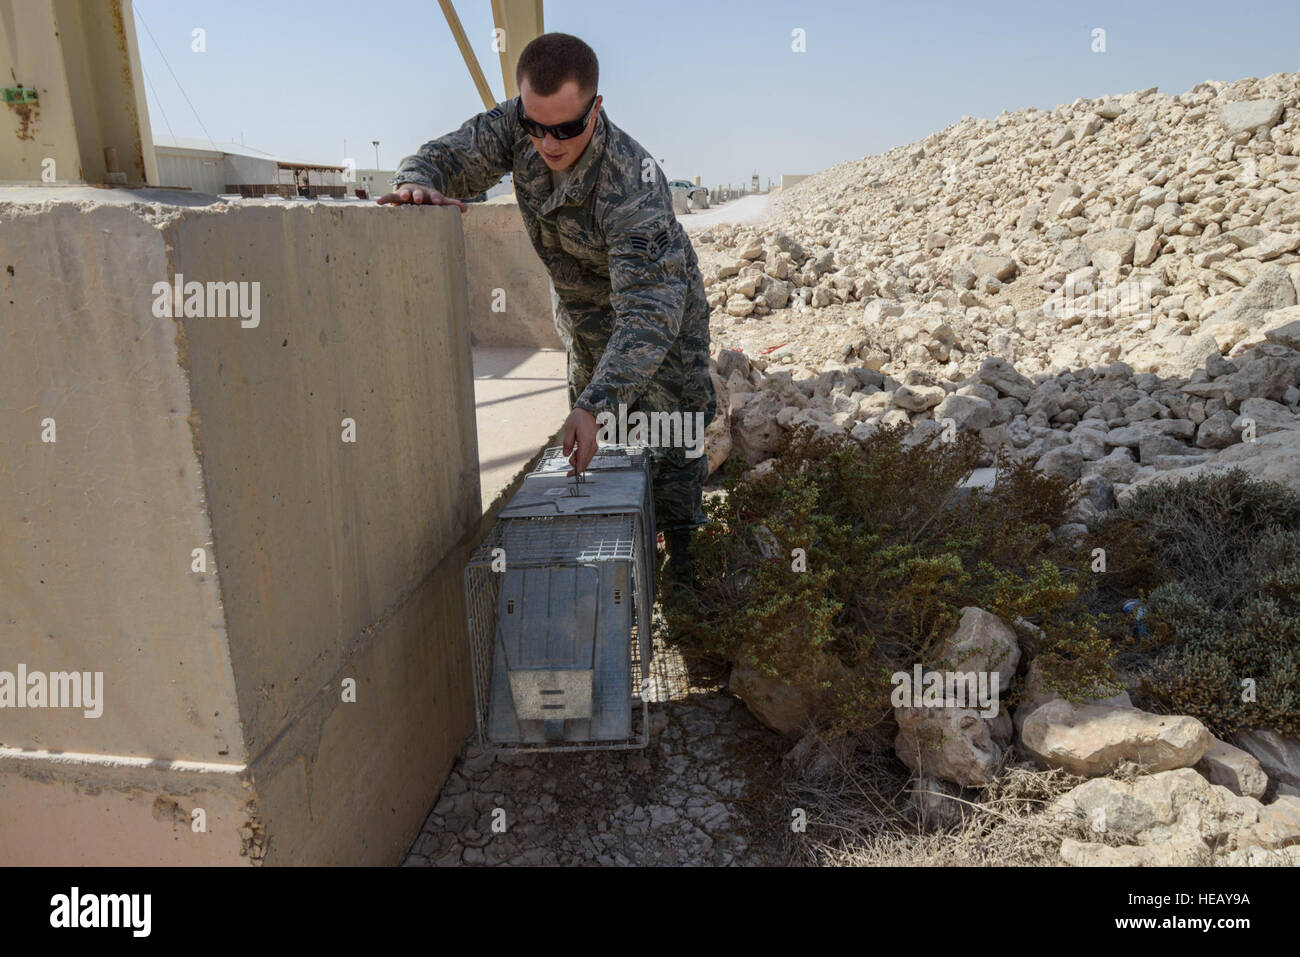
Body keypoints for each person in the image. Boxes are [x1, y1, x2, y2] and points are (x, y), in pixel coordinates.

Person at [378, 32, 715, 585]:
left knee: (671, 446)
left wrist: (597, 401)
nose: (548, 143)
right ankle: (618, 577)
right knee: (600, 452)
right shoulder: (520, 124)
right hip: (584, 326)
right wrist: (418, 182)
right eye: (535, 127)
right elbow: (444, 157)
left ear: (595, 107)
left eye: (565, 128)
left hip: (659, 329)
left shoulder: (633, 181)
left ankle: (686, 580)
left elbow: (649, 314)